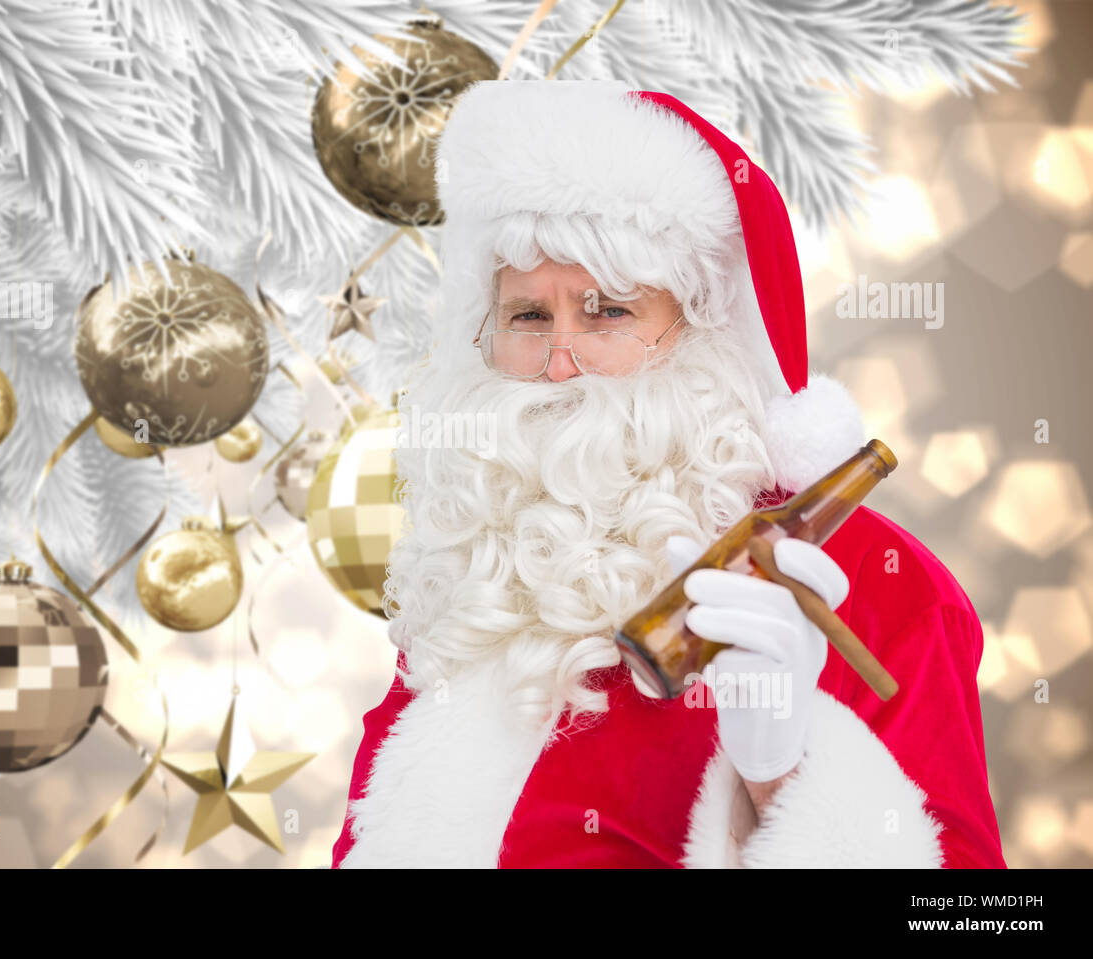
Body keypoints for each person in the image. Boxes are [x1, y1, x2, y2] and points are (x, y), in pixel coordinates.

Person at [330, 79, 1005, 868]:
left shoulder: (874, 584)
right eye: (528, 316)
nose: (558, 364)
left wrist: (787, 775)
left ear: (705, 334)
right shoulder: (483, 575)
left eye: (608, 310)